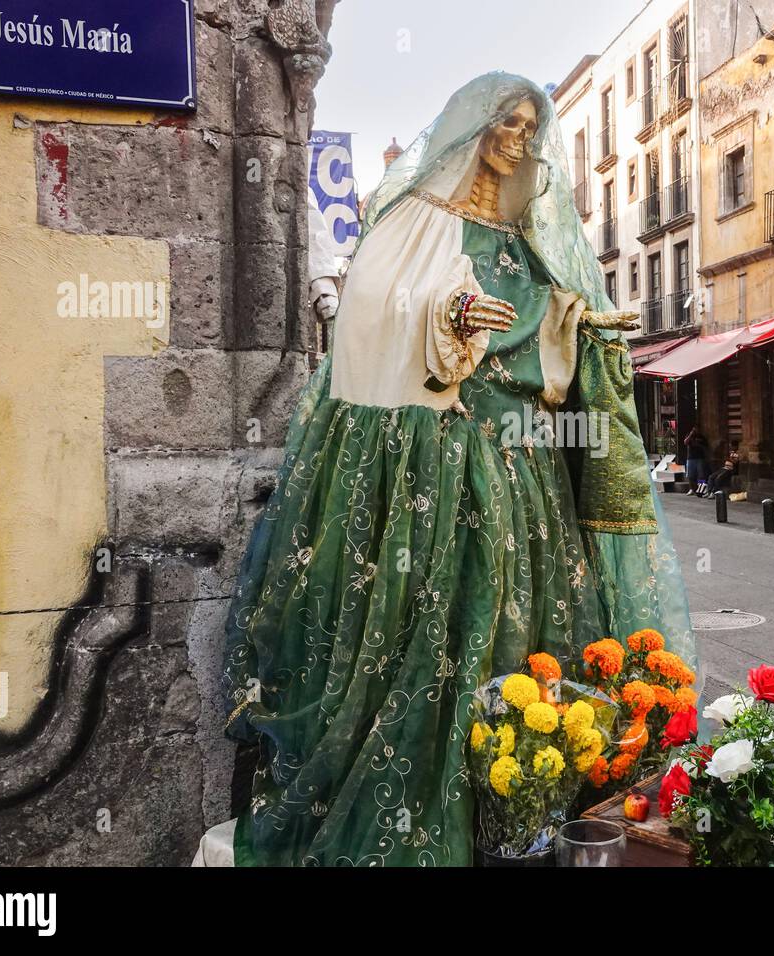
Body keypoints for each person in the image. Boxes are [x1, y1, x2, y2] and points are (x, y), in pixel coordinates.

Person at [221, 74, 695, 866]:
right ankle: (454, 801)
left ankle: (532, 792)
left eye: (529, 125)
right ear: (474, 128)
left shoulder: (526, 236)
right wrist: (450, 314)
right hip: (436, 460)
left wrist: (584, 320)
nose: (519, 137)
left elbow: (545, 319)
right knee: (429, 629)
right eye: (507, 122)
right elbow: (374, 309)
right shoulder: (416, 218)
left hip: (525, 467)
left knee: (521, 623)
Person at [683, 426, 709, 495]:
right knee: (690, 475)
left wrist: (698, 445)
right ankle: (691, 489)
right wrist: (691, 434)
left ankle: (701, 488)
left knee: (701, 475)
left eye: (696, 429)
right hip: (691, 458)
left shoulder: (701, 437)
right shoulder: (689, 435)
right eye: (694, 429)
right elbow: (685, 442)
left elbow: (706, 446)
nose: (695, 430)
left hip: (700, 458)